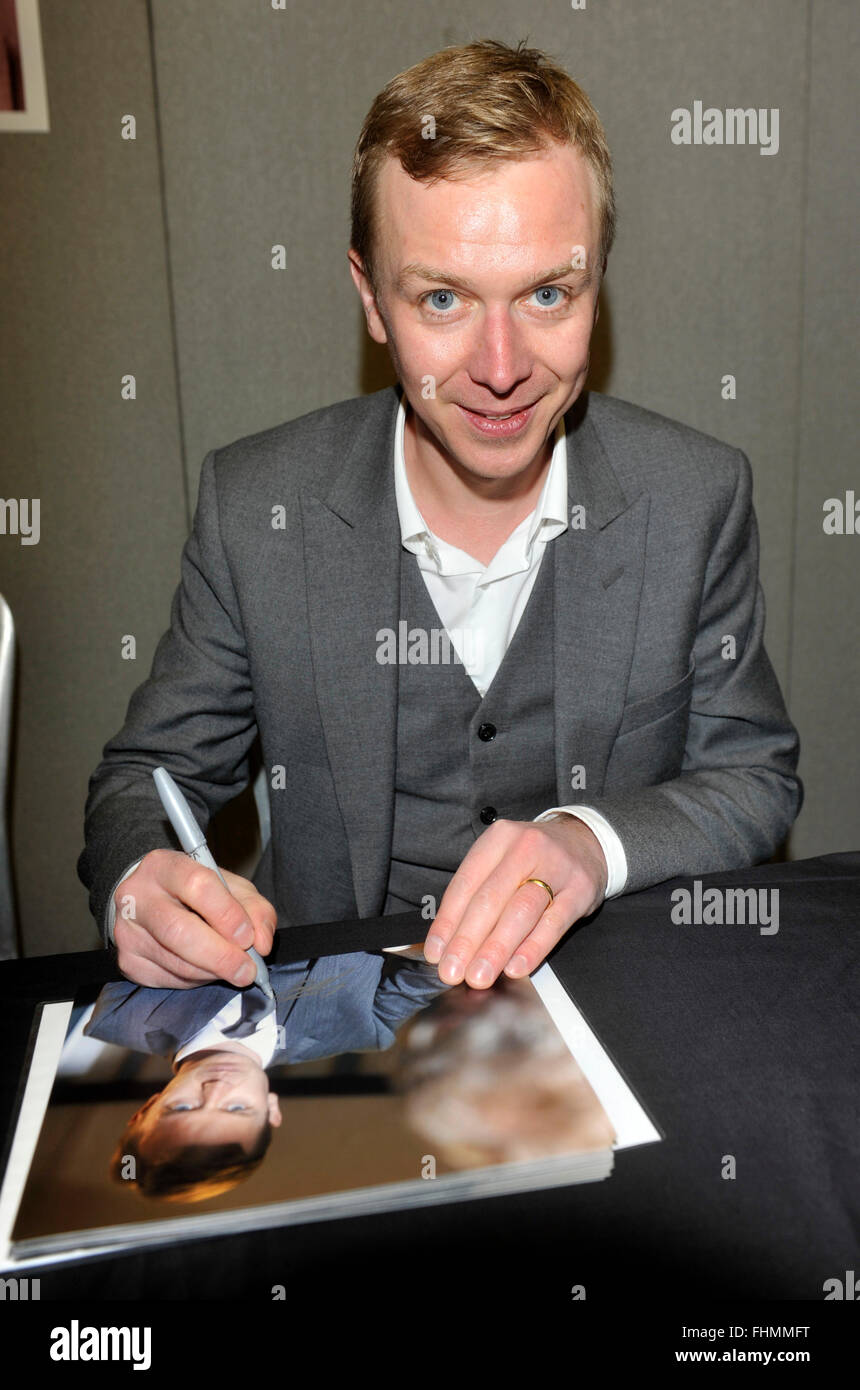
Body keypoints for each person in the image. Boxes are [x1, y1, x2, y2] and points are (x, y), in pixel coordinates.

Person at [78, 39, 801, 997]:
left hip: (616, 1015)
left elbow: (755, 778)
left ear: (599, 284)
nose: (501, 368)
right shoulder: (255, 510)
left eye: (549, 293)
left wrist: (589, 842)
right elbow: (143, 779)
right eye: (444, 298)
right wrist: (139, 882)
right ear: (371, 298)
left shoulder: (696, 496)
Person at [89, 950, 448, 1200]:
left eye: (182, 1109)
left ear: (148, 1107)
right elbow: (435, 969)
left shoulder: (122, 1011)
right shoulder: (361, 1032)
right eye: (236, 1110)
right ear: (271, 1110)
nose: (216, 1089)